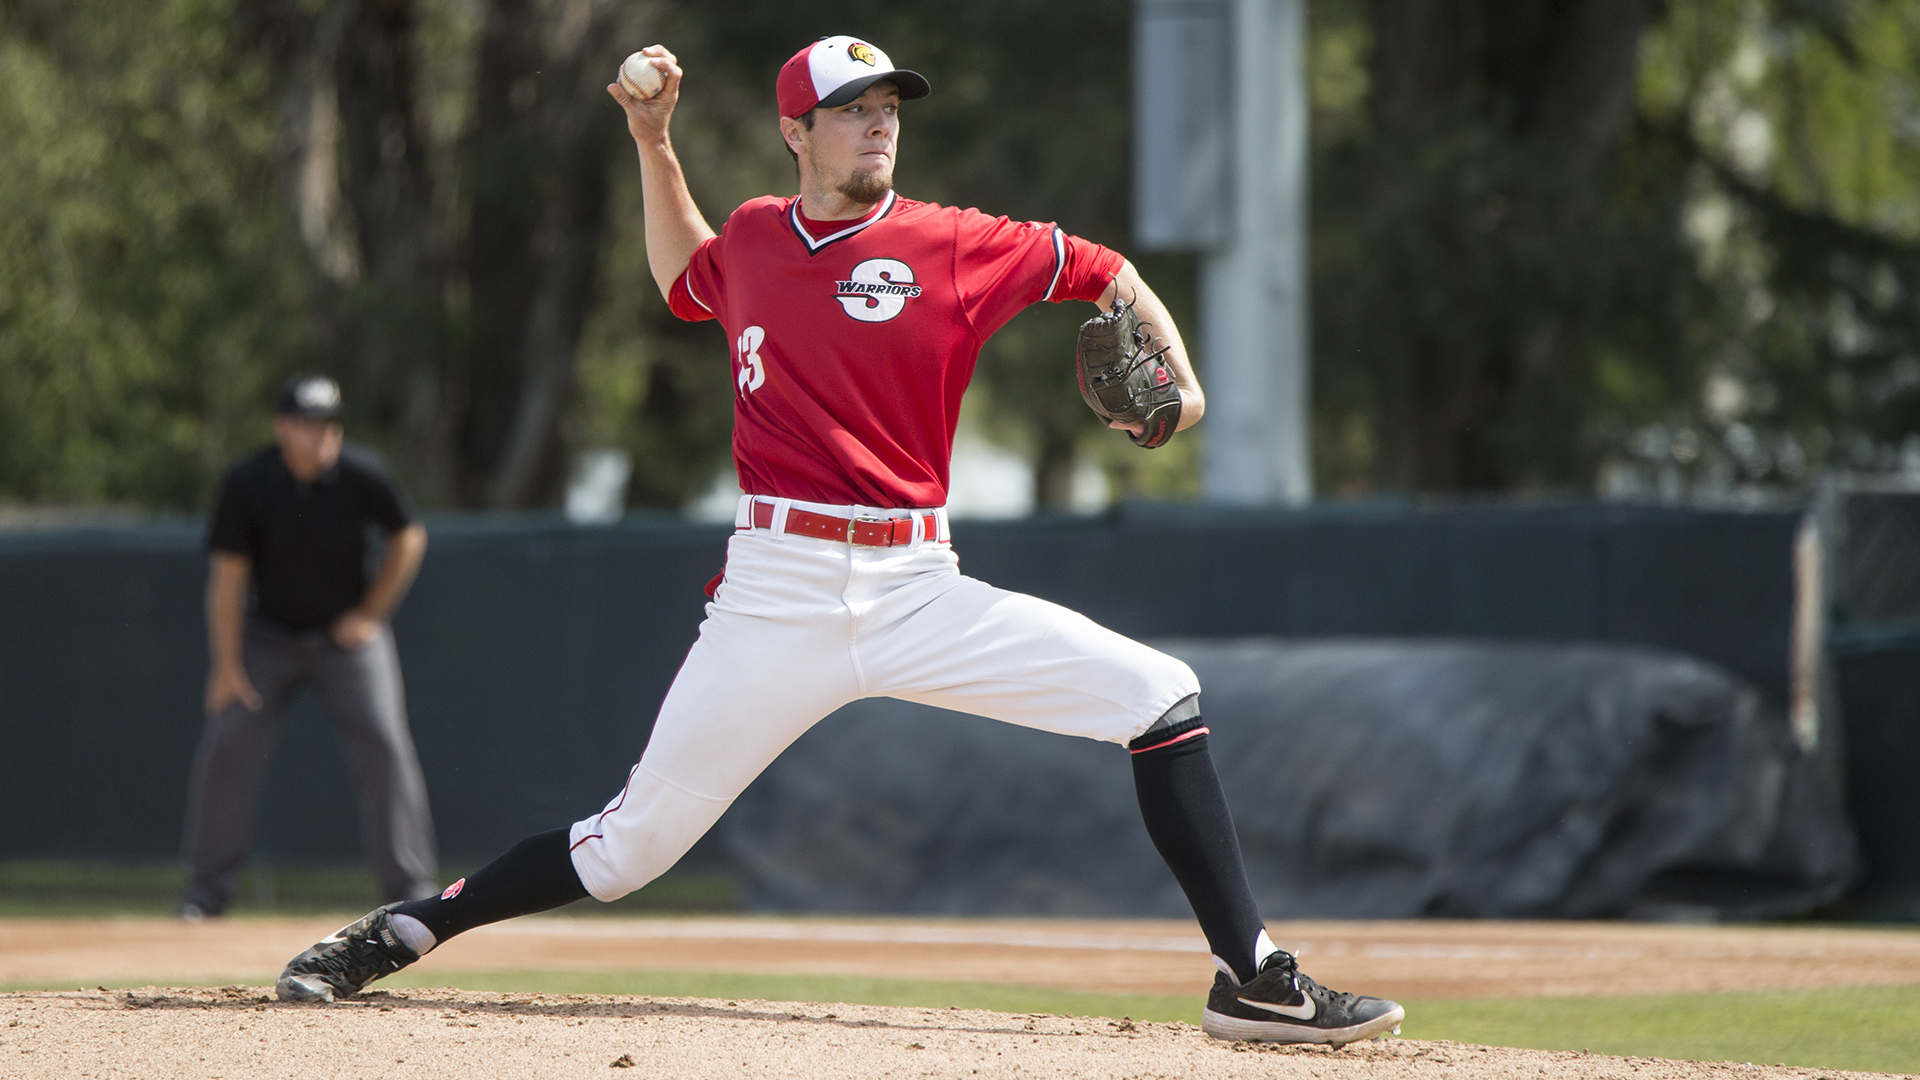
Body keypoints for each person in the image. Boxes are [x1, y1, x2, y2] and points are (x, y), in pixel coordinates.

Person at [275, 37, 1403, 1046]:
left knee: (1160, 694)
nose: (879, 122)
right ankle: (404, 930)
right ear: (796, 130)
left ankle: (1249, 977)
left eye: (890, 106)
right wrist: (653, 140)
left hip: (920, 585)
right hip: (777, 593)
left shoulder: (954, 242)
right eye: (853, 105)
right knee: (627, 854)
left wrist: (1184, 385)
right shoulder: (760, 236)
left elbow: (1104, 270)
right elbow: (682, 277)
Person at [179, 376, 437, 919]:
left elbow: (409, 536)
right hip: (266, 636)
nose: (320, 435)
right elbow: (227, 580)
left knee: (386, 743)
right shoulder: (249, 482)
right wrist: (225, 666)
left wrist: (368, 613)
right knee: (227, 744)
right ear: (282, 428)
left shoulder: (361, 473)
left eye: (328, 424)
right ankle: (204, 895)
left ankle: (411, 897)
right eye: (308, 424)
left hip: (345, 643)